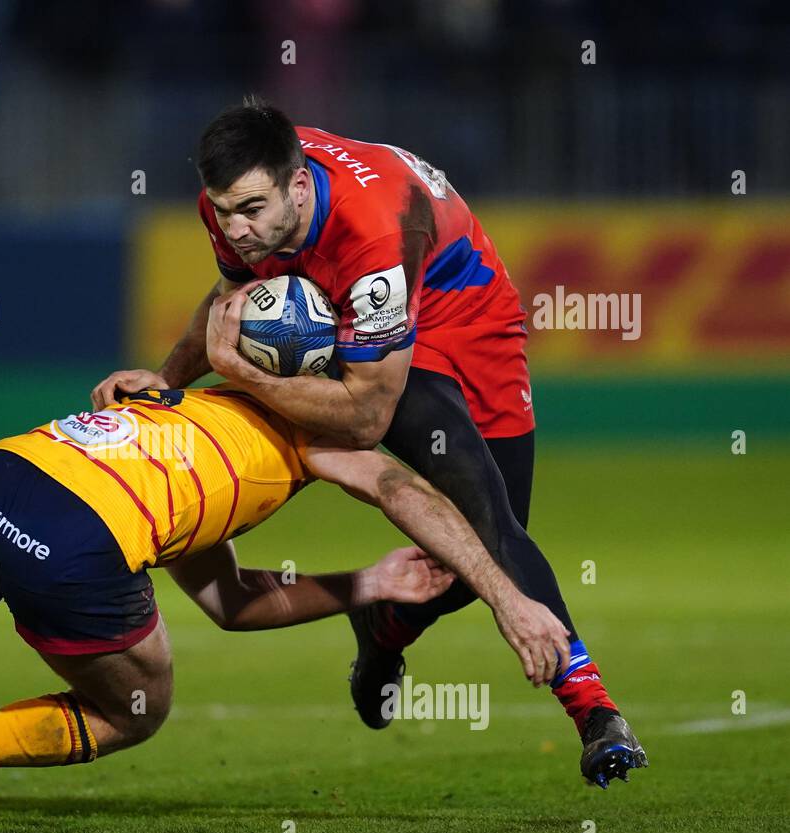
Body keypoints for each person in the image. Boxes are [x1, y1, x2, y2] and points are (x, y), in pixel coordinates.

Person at [0, 385, 568, 833]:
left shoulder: (193, 408)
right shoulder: (323, 446)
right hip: (80, 538)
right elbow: (413, 493)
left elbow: (231, 602)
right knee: (137, 708)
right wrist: (506, 594)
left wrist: (361, 588)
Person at [90, 98, 647, 788]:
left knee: (493, 540)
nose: (235, 229)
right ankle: (594, 712)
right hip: (367, 317)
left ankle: (384, 625)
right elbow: (232, 290)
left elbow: (364, 421)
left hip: (464, 312)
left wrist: (235, 371)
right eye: (223, 210)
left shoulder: (372, 234)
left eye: (252, 211)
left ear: (297, 187)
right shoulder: (239, 204)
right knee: (483, 520)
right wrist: (168, 378)